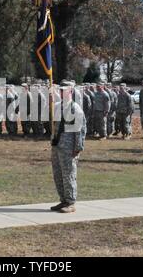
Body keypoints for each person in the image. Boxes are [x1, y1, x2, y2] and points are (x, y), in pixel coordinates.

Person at [50, 81, 86, 213]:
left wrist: (78, 148)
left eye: (64, 90)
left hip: (69, 148)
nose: (61, 92)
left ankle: (70, 202)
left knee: (69, 175)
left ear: (70, 91)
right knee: (58, 174)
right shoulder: (58, 106)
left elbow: (80, 131)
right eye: (60, 90)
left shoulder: (75, 109)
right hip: (57, 145)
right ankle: (63, 199)